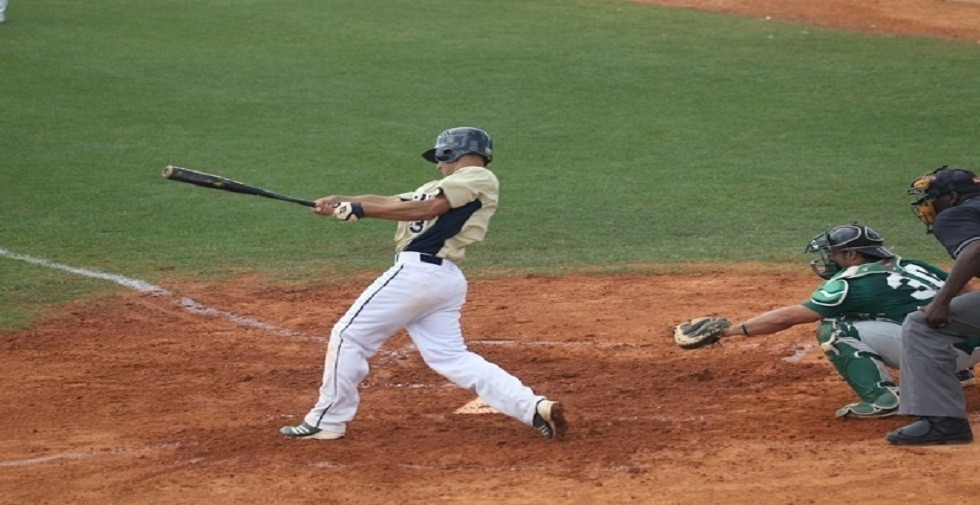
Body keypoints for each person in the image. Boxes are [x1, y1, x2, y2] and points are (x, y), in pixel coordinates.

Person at [279, 127, 568, 441]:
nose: (438, 165)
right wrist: (342, 201)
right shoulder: (437, 186)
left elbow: (429, 209)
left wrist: (361, 211)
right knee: (451, 357)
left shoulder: (478, 177)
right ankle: (533, 407)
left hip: (417, 275)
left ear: (450, 152)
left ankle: (327, 420)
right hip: (439, 281)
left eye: (440, 158)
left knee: (348, 337)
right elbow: (391, 200)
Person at [708, 223, 975, 419]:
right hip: (973, 344)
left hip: (939, 354)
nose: (828, 259)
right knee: (894, 313)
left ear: (851, 255)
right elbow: (965, 293)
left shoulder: (854, 282)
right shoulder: (911, 264)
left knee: (834, 328)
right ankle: (959, 374)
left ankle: (883, 400)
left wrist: (731, 331)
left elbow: (791, 317)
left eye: (833, 253)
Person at [886, 166, 980, 445]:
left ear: (951, 197)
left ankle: (943, 424)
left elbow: (975, 251)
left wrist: (941, 302)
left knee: (922, 326)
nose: (927, 205)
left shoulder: (955, 215)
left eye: (932, 197)